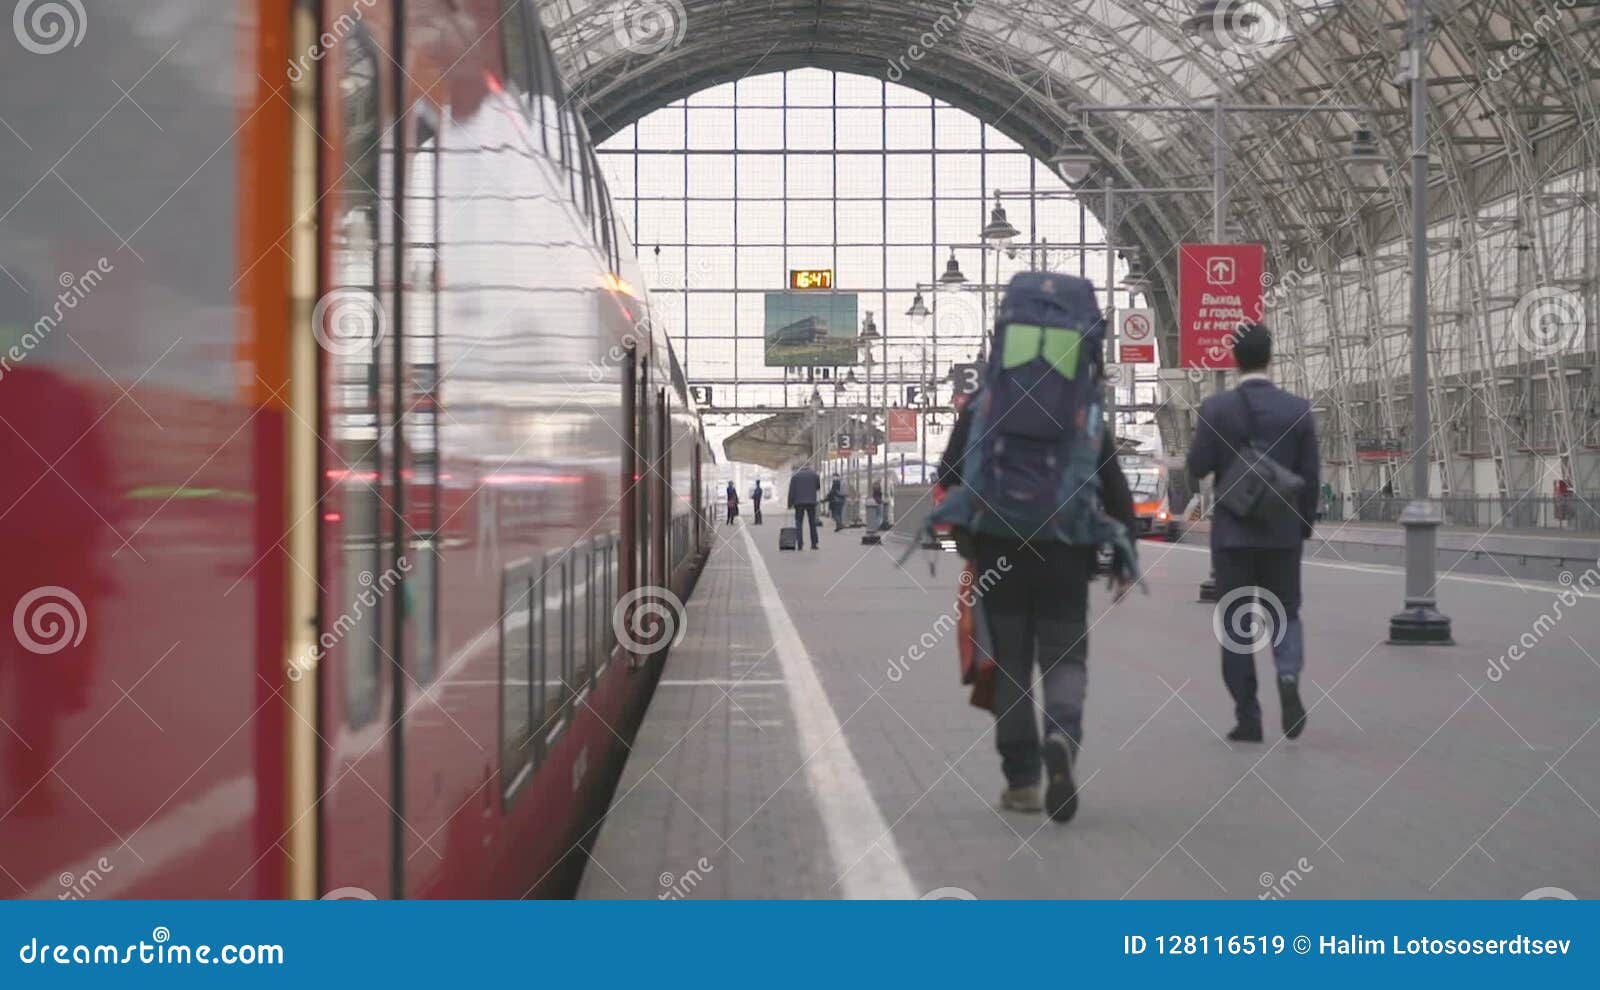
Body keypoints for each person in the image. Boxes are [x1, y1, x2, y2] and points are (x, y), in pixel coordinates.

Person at [938, 400, 1137, 823]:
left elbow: (948, 474)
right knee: (1065, 657)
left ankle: (1023, 783)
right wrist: (1124, 557)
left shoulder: (984, 404)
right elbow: (1114, 486)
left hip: (1000, 557)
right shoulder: (1080, 404)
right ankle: (1061, 737)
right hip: (1066, 555)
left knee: (1010, 666)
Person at [1186, 323, 1320, 743]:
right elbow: (1311, 477)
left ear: (1234, 359)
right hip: (1282, 535)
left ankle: (1248, 717)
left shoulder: (1217, 409)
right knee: (1287, 612)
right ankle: (1287, 674)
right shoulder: (1297, 409)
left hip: (1232, 537)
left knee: (1237, 622)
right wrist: (1303, 526)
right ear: (1271, 357)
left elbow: (1197, 466)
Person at [786, 462, 822, 550]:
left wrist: (789, 504)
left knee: (799, 523)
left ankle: (800, 544)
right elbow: (818, 487)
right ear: (808, 466)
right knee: (812, 523)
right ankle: (814, 544)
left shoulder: (795, 476)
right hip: (811, 502)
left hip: (799, 503)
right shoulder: (814, 475)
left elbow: (791, 491)